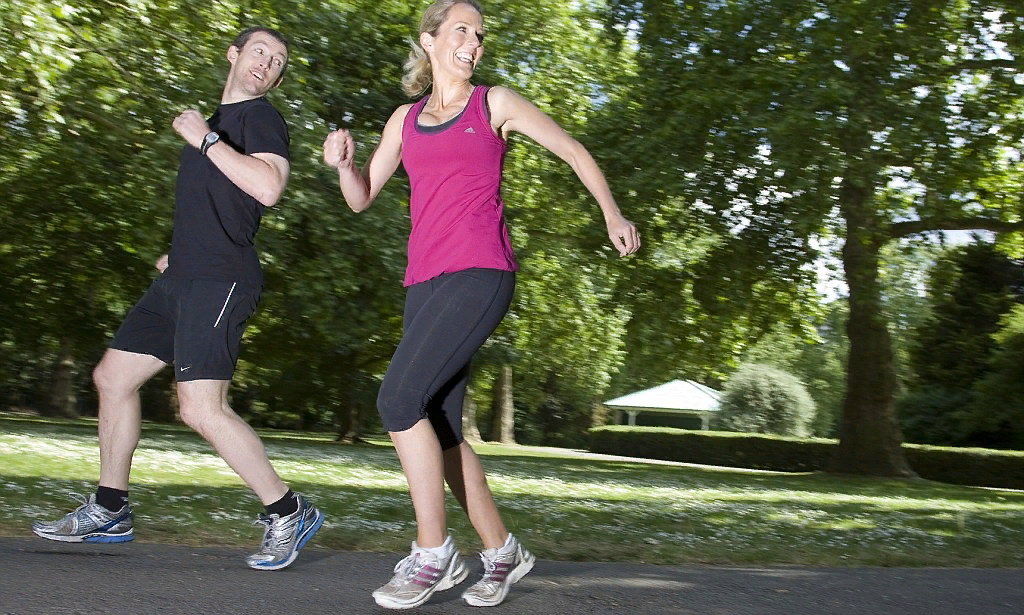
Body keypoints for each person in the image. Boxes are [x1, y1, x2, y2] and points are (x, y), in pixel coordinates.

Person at [322, 0, 639, 608]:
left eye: (480, 35)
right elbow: (361, 199)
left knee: (395, 399)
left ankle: (433, 552)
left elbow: (572, 148)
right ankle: (502, 552)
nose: (474, 43)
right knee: (438, 425)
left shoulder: (493, 103)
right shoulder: (404, 120)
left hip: (480, 272)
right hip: (424, 283)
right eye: (462, 31)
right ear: (430, 40)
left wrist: (611, 211)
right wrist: (345, 165)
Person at [32, 26, 324, 571]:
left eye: (278, 60)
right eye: (259, 51)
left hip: (220, 280)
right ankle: (111, 507)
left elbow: (268, 188)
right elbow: (216, 206)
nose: (268, 63)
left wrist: (204, 141)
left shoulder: (258, 119)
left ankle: (288, 510)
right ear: (233, 55)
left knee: (199, 407)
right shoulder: (213, 124)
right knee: (111, 379)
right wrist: (179, 252)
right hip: (184, 275)